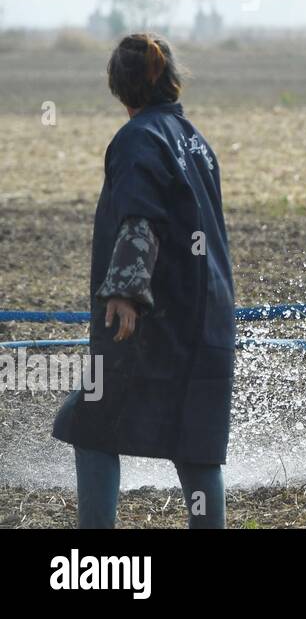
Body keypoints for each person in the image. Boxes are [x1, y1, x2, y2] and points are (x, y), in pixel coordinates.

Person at [52, 33, 235, 528]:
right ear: (171, 79)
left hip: (152, 320)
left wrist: (127, 293)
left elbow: (140, 219)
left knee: (89, 422)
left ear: (119, 86)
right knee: (195, 440)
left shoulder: (137, 138)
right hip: (207, 314)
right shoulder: (195, 140)